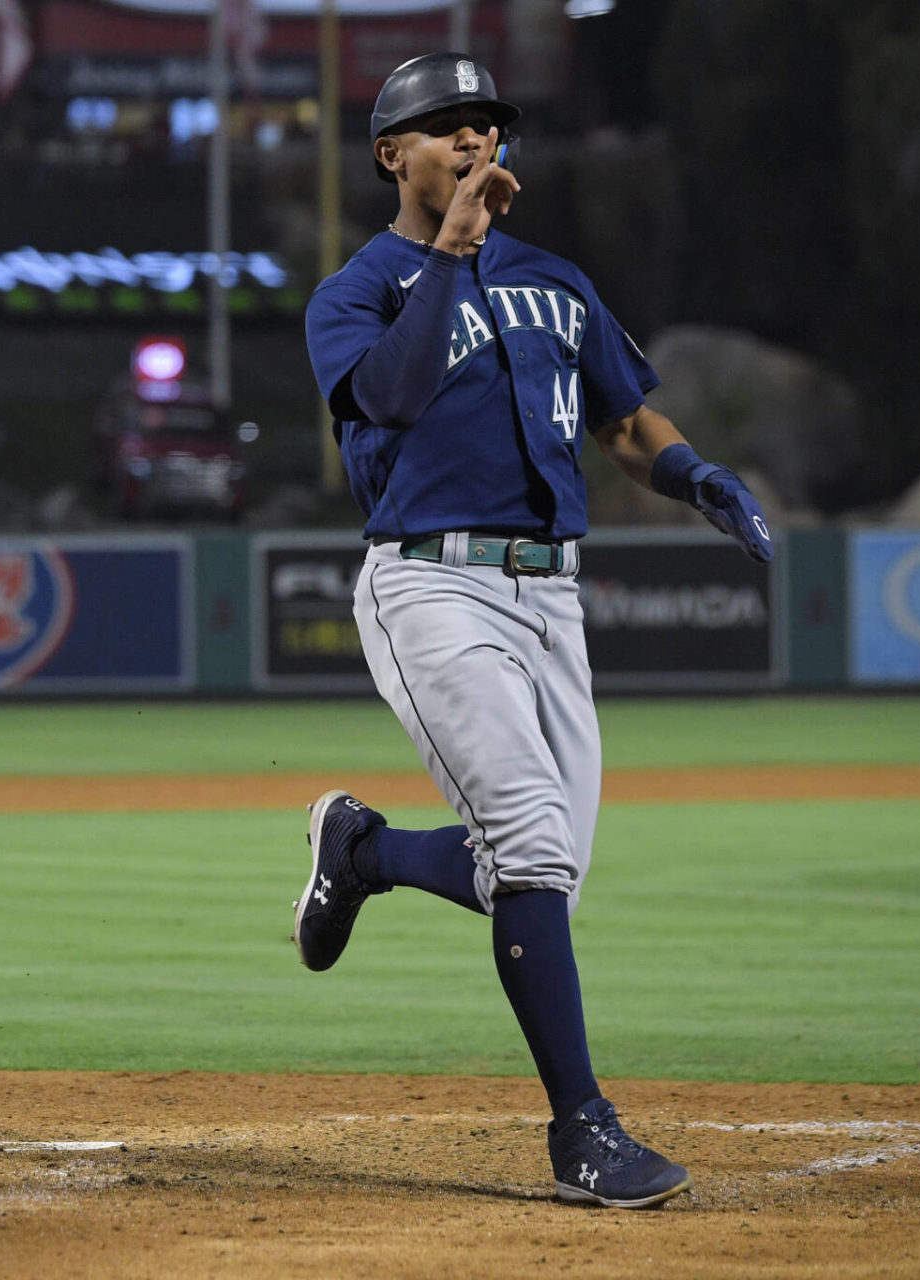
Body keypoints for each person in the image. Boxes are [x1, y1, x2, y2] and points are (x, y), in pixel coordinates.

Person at [296, 53, 772, 1210]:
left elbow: (620, 417)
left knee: (544, 868)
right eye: (444, 128)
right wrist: (451, 251)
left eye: (485, 125)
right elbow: (391, 397)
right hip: (432, 585)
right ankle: (585, 1134)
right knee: (533, 848)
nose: (472, 142)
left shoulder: (554, 280)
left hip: (552, 595)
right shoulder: (356, 292)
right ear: (389, 156)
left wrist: (694, 471)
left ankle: (362, 851)